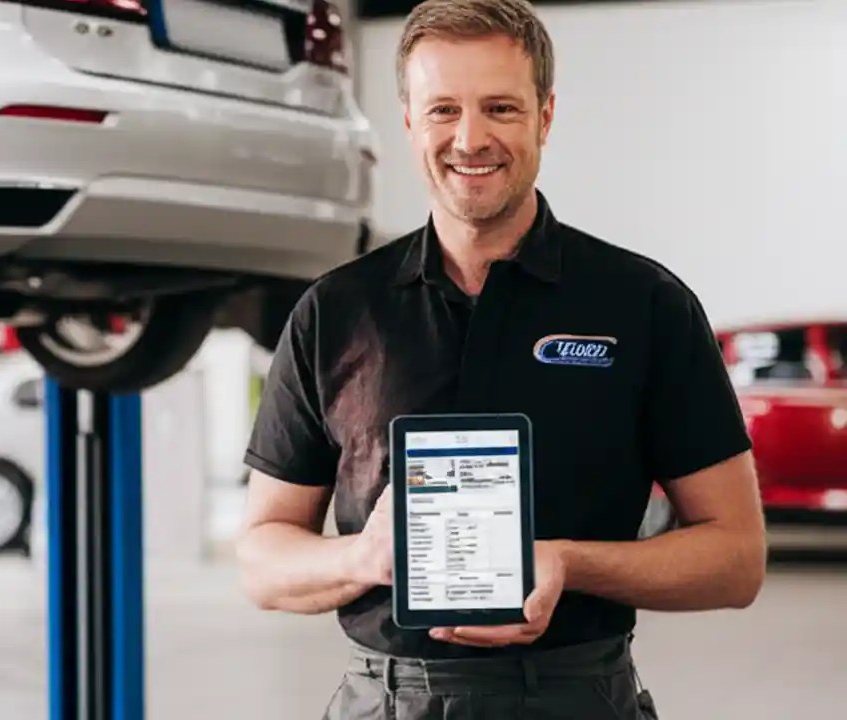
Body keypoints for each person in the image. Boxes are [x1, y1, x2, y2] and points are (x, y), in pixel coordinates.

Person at [235, 0, 768, 717]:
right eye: (443, 109)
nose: (470, 138)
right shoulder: (336, 312)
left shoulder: (643, 305)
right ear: (408, 121)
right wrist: (363, 557)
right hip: (386, 701)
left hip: (577, 696)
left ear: (545, 116)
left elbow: (736, 559)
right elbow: (263, 559)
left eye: (501, 109)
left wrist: (569, 562)